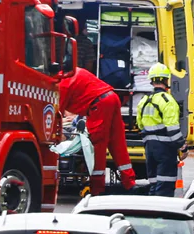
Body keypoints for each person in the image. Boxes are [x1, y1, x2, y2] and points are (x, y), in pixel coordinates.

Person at [57, 66, 137, 194]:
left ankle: (97, 189)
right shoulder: (73, 72)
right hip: (111, 98)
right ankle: (129, 183)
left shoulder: (62, 83)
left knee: (96, 147)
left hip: (99, 105)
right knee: (117, 143)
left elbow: (56, 113)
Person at [136, 63, 183, 196]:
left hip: (149, 148)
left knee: (154, 184)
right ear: (166, 80)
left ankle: (150, 211)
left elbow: (140, 125)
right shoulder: (167, 101)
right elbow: (173, 131)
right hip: (165, 149)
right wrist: (183, 147)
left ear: (152, 81)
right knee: (165, 186)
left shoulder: (144, 101)